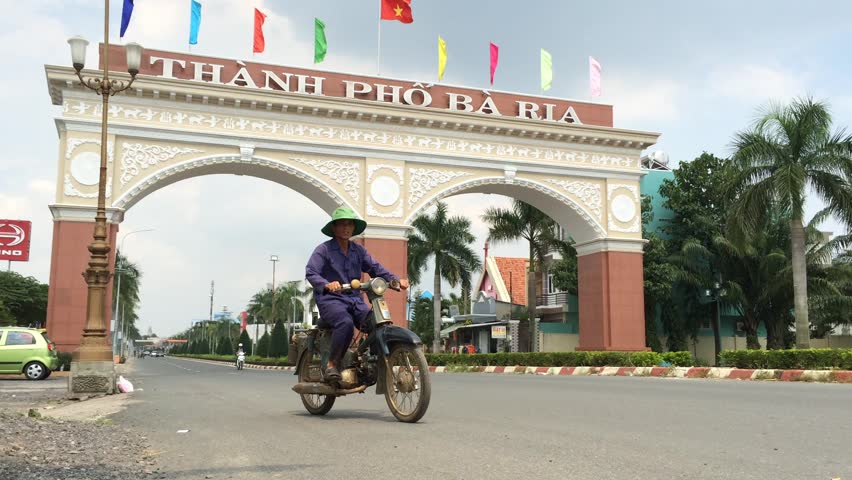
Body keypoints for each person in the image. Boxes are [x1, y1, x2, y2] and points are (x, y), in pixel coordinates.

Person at [306, 207, 409, 383]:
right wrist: (327, 284)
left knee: (377, 323)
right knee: (345, 323)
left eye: (350, 224)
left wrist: (395, 280)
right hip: (331, 300)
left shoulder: (358, 251)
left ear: (354, 228)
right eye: (342, 224)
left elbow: (375, 268)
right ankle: (332, 364)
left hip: (354, 299)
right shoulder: (323, 250)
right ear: (334, 228)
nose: (346, 228)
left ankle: (369, 362)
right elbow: (311, 272)